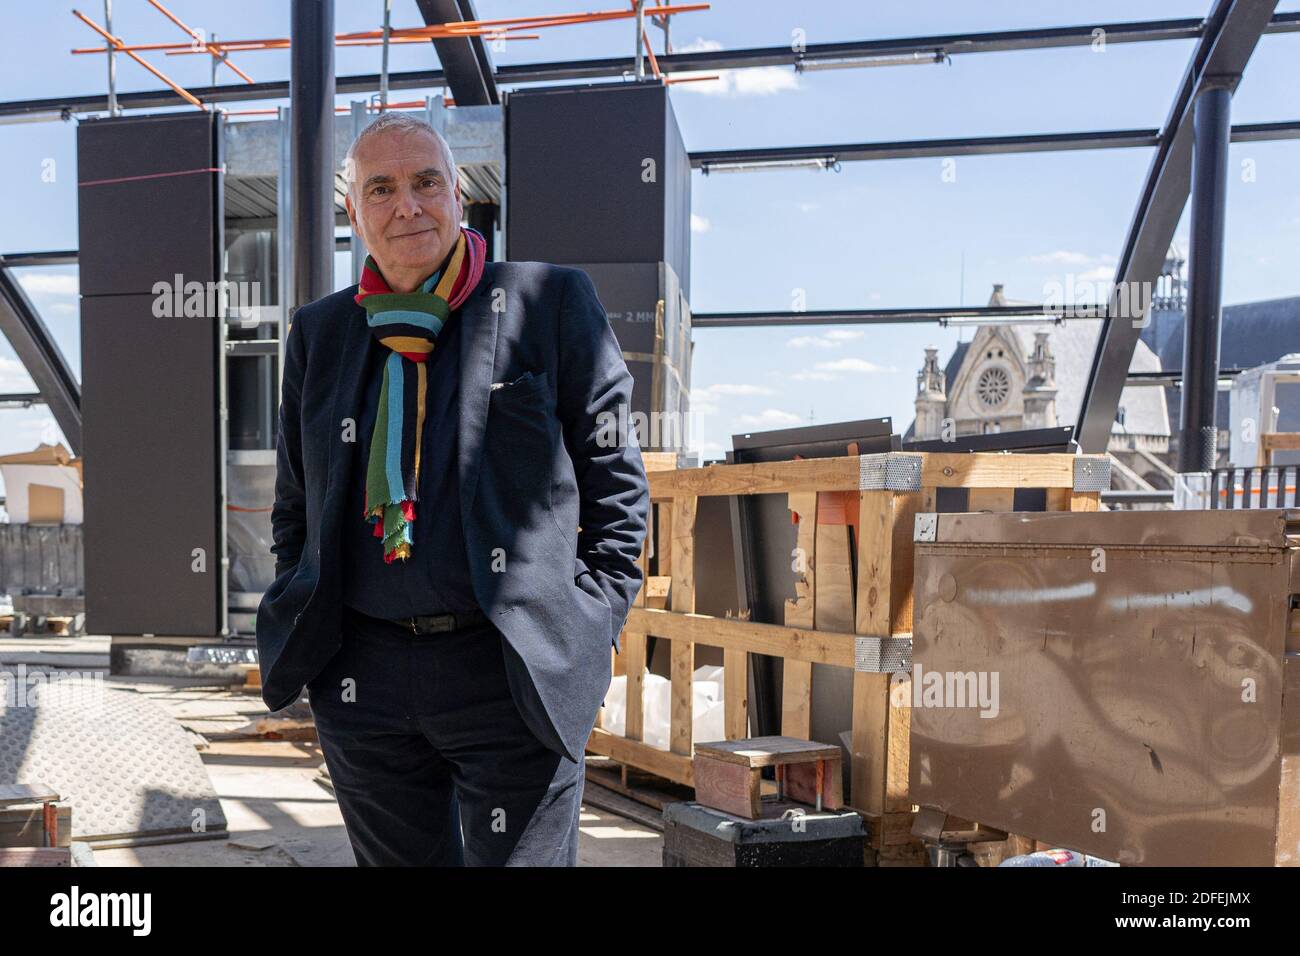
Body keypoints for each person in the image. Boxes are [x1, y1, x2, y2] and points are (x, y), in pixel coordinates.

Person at [255, 111, 649, 865]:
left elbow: (616, 484)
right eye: (382, 188)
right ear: (354, 212)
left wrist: (592, 621)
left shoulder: (548, 302)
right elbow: (296, 504)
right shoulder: (322, 333)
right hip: (362, 682)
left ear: (458, 197)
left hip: (511, 671)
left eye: (426, 182)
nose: (408, 205)